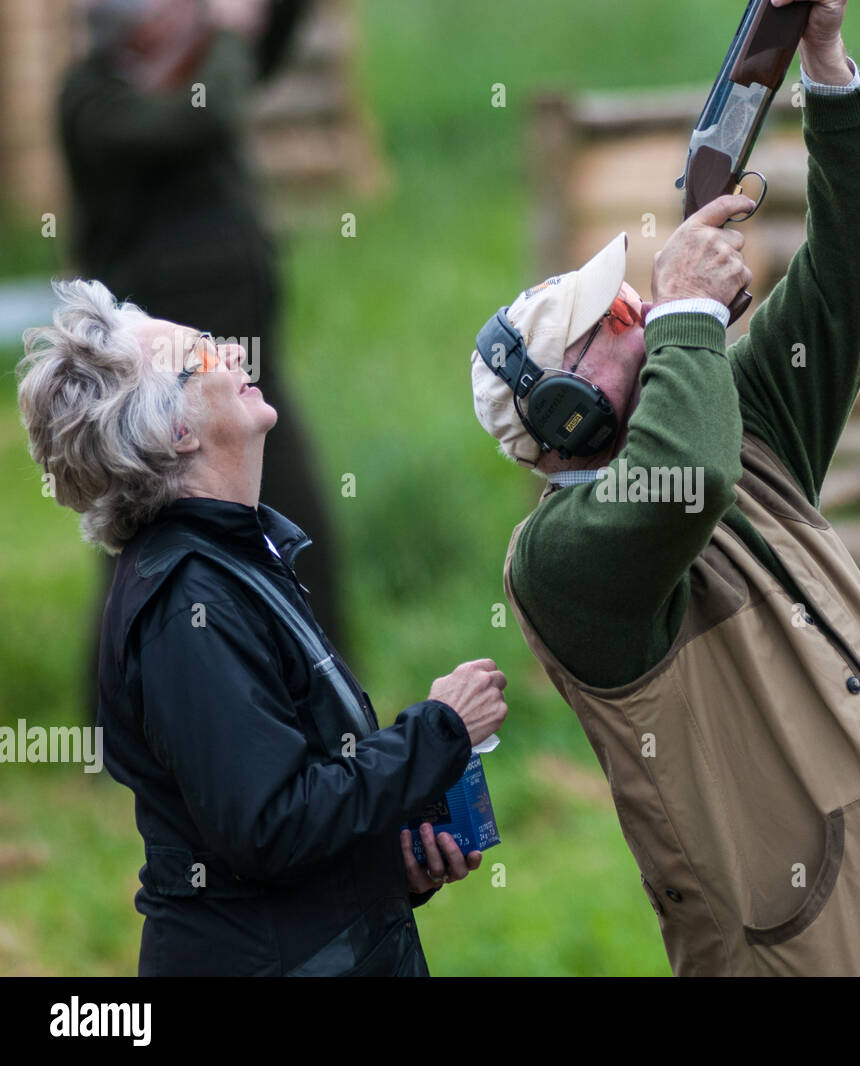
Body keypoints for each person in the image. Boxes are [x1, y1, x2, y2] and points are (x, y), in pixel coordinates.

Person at [469, 0, 860, 976]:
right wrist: (688, 307)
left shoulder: (723, 410)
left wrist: (821, 62)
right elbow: (685, 482)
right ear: (564, 411)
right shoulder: (558, 565)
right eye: (609, 322)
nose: (638, 306)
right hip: (808, 953)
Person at [16, 279, 508, 976]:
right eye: (200, 355)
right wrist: (439, 730)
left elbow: (272, 821)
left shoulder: (233, 558)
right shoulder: (188, 606)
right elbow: (271, 826)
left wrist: (387, 875)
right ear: (176, 431)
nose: (230, 351)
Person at [58, 0, 344, 719]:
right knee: (147, 540)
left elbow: (253, 56)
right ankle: (120, 719)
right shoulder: (94, 100)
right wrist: (225, 29)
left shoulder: (189, 70)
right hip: (162, 383)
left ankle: (322, 698)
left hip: (241, 367)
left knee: (298, 524)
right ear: (140, 24)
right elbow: (205, 115)